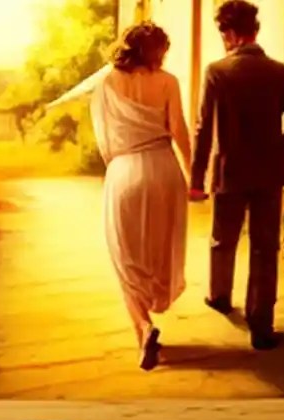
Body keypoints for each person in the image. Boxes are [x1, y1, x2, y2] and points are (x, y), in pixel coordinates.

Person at [190, 0, 284, 350]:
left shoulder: (216, 72)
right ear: (255, 30)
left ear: (228, 33)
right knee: (264, 247)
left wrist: (196, 179)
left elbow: (203, 128)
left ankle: (220, 295)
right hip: (268, 174)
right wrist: (280, 154)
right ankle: (261, 326)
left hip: (229, 173)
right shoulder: (278, 71)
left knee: (222, 239)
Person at [92, 22, 191, 371]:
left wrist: (116, 166)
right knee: (158, 249)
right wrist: (192, 175)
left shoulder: (106, 83)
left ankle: (144, 328)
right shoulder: (168, 82)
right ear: (156, 49)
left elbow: (103, 137)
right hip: (164, 169)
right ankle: (149, 316)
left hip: (126, 169)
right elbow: (178, 129)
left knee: (125, 256)